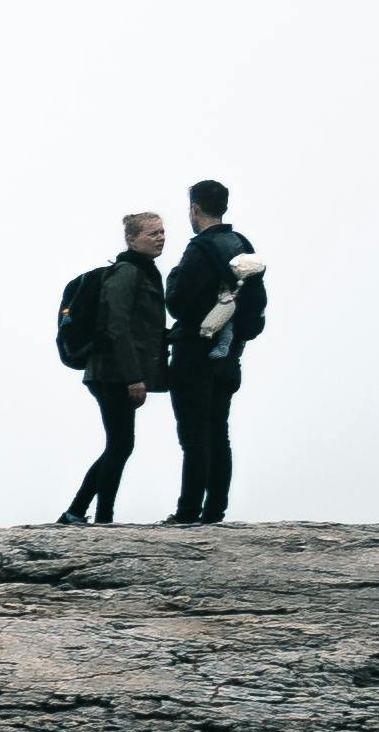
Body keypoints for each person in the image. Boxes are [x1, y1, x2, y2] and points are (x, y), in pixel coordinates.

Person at [57, 209, 170, 523]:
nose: (161, 238)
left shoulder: (144, 271)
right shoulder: (127, 272)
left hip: (116, 371)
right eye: (153, 233)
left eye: (162, 232)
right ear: (132, 239)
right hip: (112, 372)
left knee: (119, 445)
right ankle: (97, 516)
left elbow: (142, 326)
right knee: (121, 445)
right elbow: (116, 326)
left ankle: (80, 512)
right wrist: (134, 377)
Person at [167, 179, 269, 522]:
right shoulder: (242, 244)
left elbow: (178, 302)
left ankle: (187, 512)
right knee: (218, 432)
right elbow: (256, 302)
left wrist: (173, 276)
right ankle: (215, 510)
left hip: (194, 355)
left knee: (194, 436)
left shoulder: (200, 248)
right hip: (230, 355)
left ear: (195, 209)